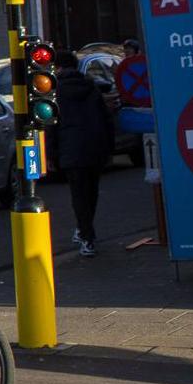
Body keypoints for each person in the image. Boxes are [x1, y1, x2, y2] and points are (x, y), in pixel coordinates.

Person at [55, 65, 115, 258]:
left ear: (58, 68)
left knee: (79, 195)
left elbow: (52, 124)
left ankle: (86, 235)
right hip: (95, 147)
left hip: (71, 149)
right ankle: (85, 231)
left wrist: (50, 154)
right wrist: (110, 147)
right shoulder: (92, 88)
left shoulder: (56, 92)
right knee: (91, 192)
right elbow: (107, 119)